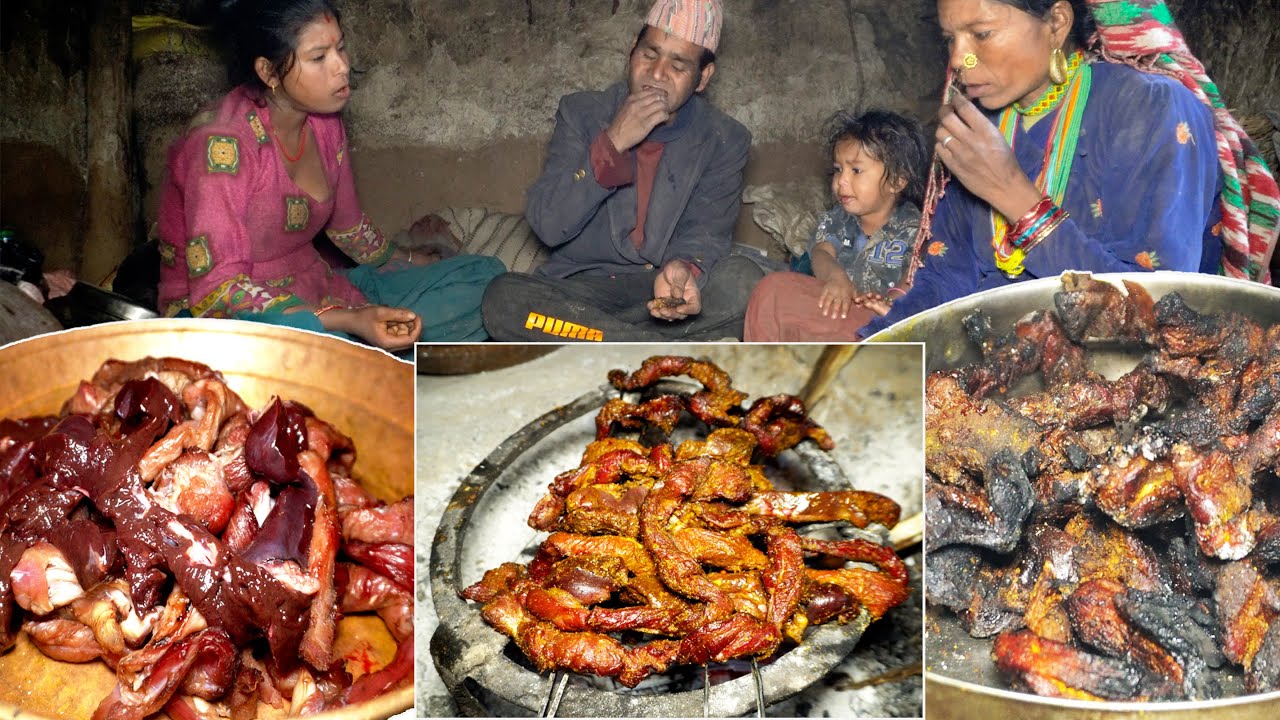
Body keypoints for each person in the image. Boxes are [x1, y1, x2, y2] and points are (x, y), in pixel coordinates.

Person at [859, 0, 1280, 338]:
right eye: (950, 38)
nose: (960, 59)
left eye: (981, 34)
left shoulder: (1149, 108)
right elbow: (945, 278)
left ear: (1057, 23)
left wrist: (1013, 195)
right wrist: (872, 346)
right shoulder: (981, 126)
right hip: (1008, 366)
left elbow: (1160, 311)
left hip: (1134, 384)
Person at [157, 0, 504, 351]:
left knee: (482, 277)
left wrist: (415, 262)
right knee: (339, 346)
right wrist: (349, 319)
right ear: (269, 72)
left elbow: (348, 227)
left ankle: (378, 347)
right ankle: (374, 349)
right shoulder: (222, 145)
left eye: (340, 48)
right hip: (231, 317)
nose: (342, 67)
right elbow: (219, 289)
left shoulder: (325, 123)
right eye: (319, 57)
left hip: (317, 286)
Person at [480, 0, 764, 342]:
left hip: (656, 294)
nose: (657, 74)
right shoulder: (582, 113)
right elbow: (548, 225)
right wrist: (612, 143)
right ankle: (652, 349)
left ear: (702, 77)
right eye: (649, 54)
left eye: (678, 65)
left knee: (745, 282)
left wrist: (683, 267)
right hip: (581, 295)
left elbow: (706, 232)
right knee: (504, 300)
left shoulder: (723, 138)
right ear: (632, 50)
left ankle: (611, 344)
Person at [743, 109, 928, 341]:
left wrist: (893, 302)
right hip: (834, 308)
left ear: (897, 181)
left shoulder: (916, 228)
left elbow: (917, 273)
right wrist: (835, 278)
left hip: (879, 321)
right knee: (771, 290)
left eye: (856, 170)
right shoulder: (838, 219)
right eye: (838, 169)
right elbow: (821, 251)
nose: (841, 181)